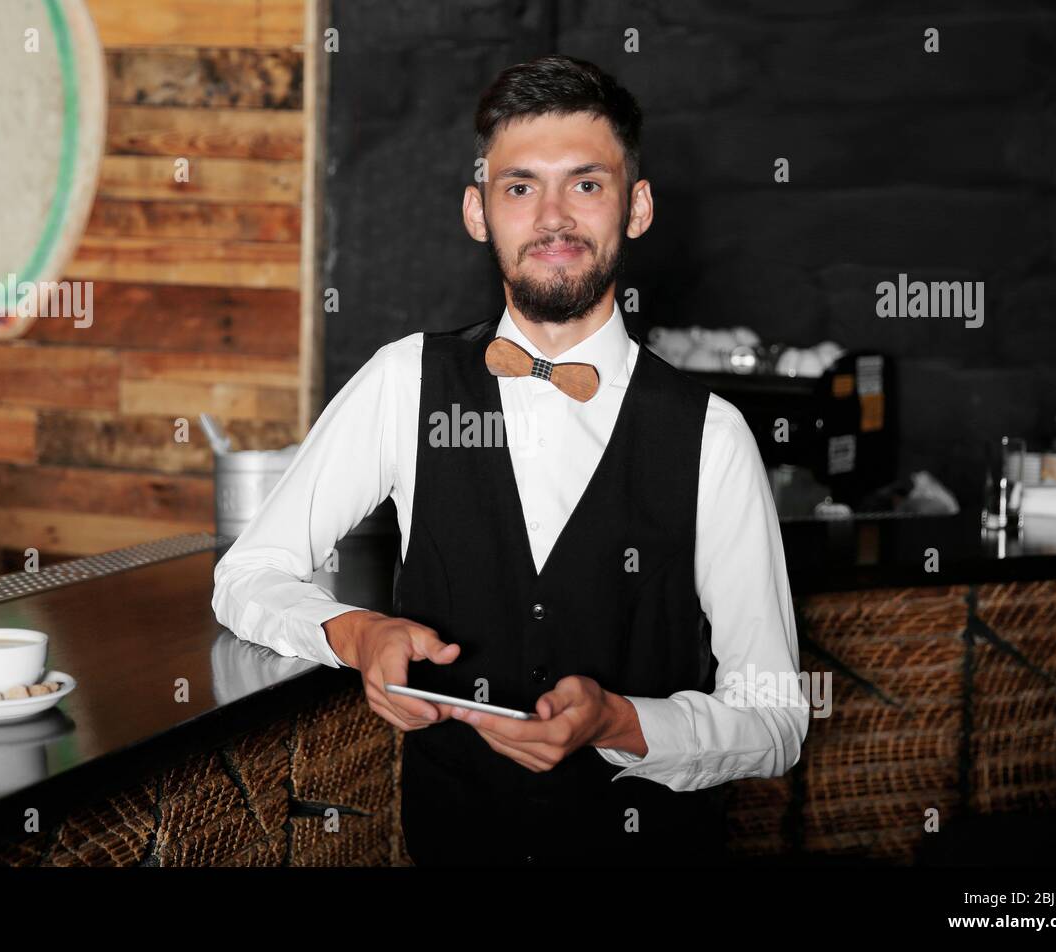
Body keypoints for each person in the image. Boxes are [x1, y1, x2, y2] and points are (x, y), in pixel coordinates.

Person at [212, 53, 810, 867]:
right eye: (521, 186)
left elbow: (775, 721)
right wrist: (358, 634)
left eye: (586, 184)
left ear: (636, 208)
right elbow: (248, 575)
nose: (553, 216)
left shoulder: (713, 435)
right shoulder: (402, 380)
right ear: (477, 210)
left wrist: (620, 724)